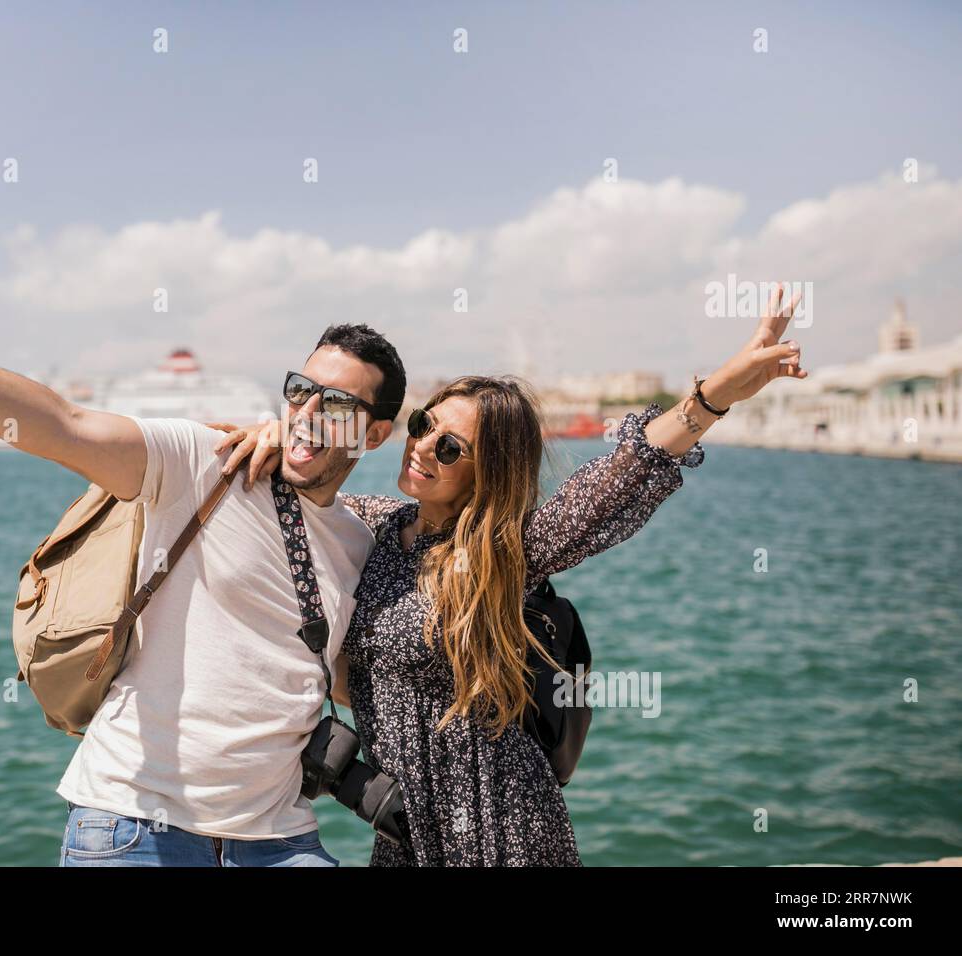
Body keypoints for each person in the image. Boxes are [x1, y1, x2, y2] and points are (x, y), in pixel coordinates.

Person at [215, 283, 807, 865]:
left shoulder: (502, 552)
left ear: (487, 470)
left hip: (502, 828)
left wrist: (715, 395)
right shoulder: (372, 524)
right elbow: (313, 490)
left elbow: (619, 478)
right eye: (422, 425)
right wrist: (274, 436)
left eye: (451, 448)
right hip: (403, 831)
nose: (422, 447)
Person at [0, 281, 407, 866]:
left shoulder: (359, 543)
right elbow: (63, 424)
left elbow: (334, 675)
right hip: (135, 825)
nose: (308, 414)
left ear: (375, 434)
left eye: (338, 405)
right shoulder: (203, 462)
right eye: (301, 391)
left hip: (278, 837)